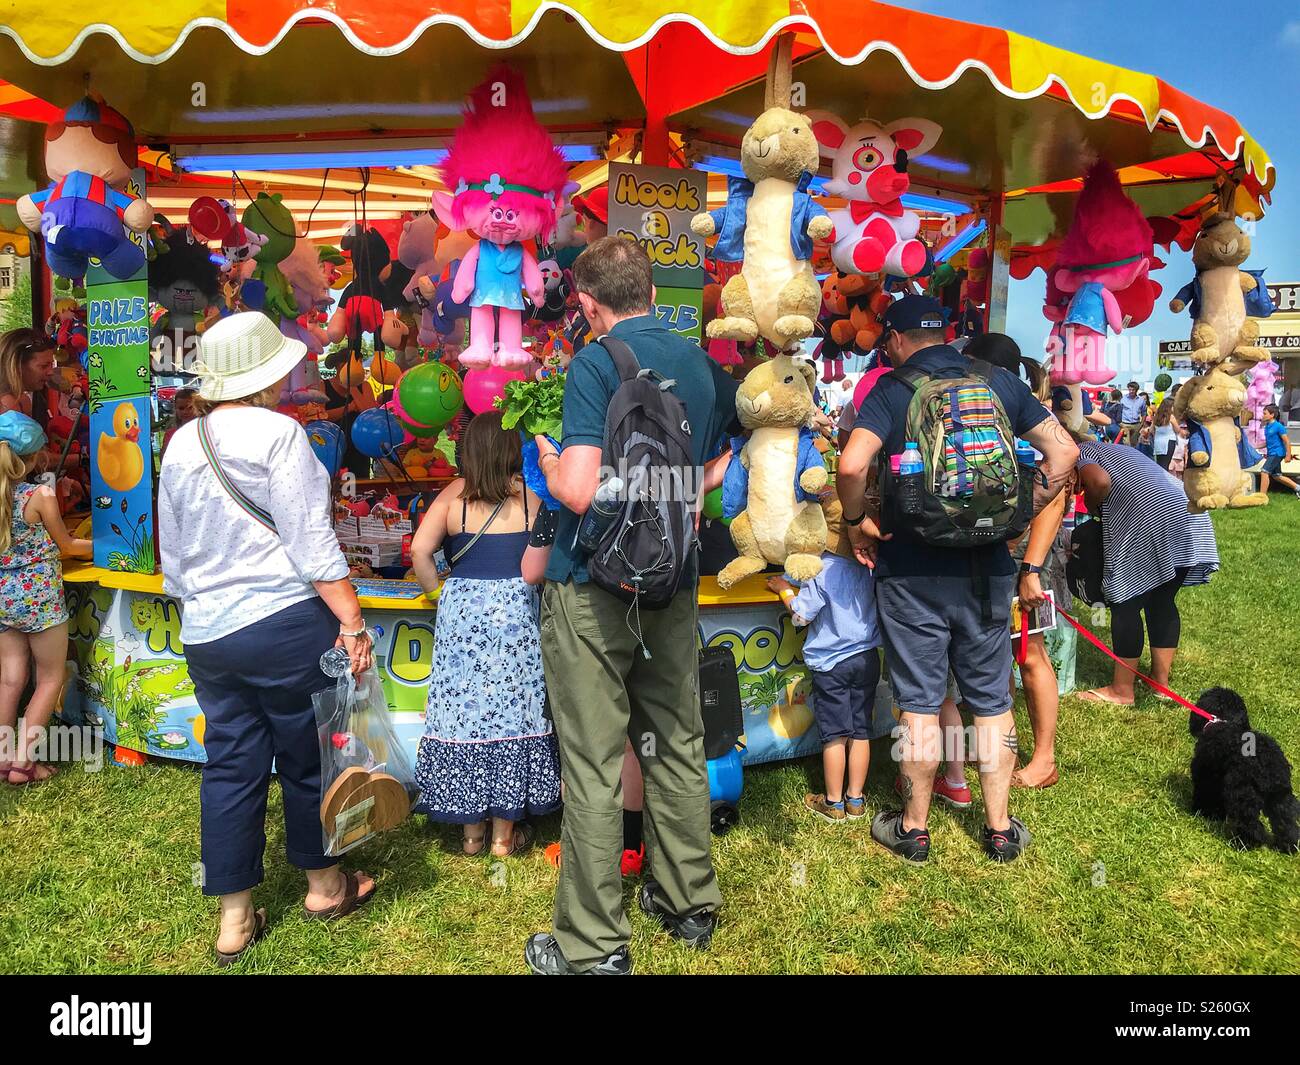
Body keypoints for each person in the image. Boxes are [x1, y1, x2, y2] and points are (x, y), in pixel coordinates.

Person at [527, 236, 738, 975]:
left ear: (588, 305)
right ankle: (688, 903)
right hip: (671, 580)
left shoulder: (594, 361)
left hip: (591, 585)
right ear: (651, 290)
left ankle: (591, 945)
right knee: (676, 742)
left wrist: (551, 461)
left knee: (593, 762)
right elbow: (716, 471)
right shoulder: (706, 370)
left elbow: (582, 491)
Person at [158, 312, 377, 966]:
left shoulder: (179, 443)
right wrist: (353, 619)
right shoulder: (281, 433)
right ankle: (323, 885)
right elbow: (312, 542)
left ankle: (232, 919)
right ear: (270, 374)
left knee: (230, 767)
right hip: (284, 624)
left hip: (208, 632)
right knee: (308, 758)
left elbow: (173, 559)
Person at [837, 298, 1078, 864]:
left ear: (894, 339)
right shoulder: (999, 383)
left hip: (911, 572)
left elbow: (850, 466)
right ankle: (998, 829)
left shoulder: (893, 389)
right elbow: (1064, 450)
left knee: (919, 704)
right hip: (989, 570)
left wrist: (855, 522)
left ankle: (914, 828)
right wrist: (1020, 511)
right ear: (944, 334)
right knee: (991, 701)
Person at [408, 412, 561, 856]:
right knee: (516, 712)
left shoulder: (454, 496)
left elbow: (420, 549)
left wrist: (438, 592)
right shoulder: (532, 499)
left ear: (468, 452)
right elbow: (543, 565)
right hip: (516, 612)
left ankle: (470, 836)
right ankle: (502, 837)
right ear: (514, 451)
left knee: (464, 717)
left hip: (461, 613)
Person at [967, 333, 1071, 790]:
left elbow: (1057, 496)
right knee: (994, 656)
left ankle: (1044, 758)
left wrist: (1031, 569)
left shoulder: (1032, 419)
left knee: (1029, 654)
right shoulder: (985, 413)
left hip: (1026, 564)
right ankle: (999, 747)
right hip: (994, 559)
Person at [1074, 440, 1218, 706]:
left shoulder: (1082, 450)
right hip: (1189, 512)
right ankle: (1160, 684)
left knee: (1125, 602)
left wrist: (1093, 507)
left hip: (1152, 518)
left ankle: (1121, 690)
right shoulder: (1115, 449)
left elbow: (1099, 482)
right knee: (1162, 600)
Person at [767, 514, 881, 823]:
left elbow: (801, 616)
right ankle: (855, 799)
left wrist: (784, 590)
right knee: (860, 730)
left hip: (831, 662)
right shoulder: (869, 564)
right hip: (867, 657)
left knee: (835, 735)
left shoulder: (821, 570)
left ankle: (833, 803)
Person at [0, 411, 92, 785]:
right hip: (39, 600)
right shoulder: (41, 494)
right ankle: (24, 764)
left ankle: (4, 757)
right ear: (38, 457)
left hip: (4, 598)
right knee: (50, 678)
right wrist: (106, 546)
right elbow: (67, 544)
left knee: (9, 680)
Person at [0, 328, 57, 417]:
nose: (51, 372)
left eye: (51, 365)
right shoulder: (8, 405)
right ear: (18, 366)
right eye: (44, 366)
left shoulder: (23, 400)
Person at [1258, 403, 1299, 497]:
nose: (1262, 415)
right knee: (1277, 476)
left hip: (1277, 453)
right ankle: (1298, 488)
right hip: (1271, 453)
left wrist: (1288, 455)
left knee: (1264, 472)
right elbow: (1268, 442)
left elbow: (1287, 441)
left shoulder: (1278, 426)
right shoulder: (1267, 427)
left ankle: (1261, 497)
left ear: (1272, 415)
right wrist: (1255, 446)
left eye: (1265, 413)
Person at [162, 386, 197, 454]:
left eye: (190, 407)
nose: (185, 412)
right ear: (175, 409)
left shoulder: (206, 431)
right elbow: (163, 458)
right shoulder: (171, 434)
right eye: (181, 408)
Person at [1152, 396, 1179, 470]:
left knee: (1159, 464)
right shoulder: (1171, 417)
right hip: (1169, 442)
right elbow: (1177, 430)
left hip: (1158, 442)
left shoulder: (1157, 417)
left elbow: (1152, 430)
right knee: (1165, 465)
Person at [1119, 381, 1147, 447]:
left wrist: (1141, 424)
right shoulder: (1123, 399)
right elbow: (1118, 410)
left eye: (1133, 390)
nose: (1131, 391)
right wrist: (1120, 423)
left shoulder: (1141, 400)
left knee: (1134, 445)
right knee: (1126, 444)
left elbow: (1144, 413)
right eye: (1130, 389)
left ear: (1136, 390)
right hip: (1125, 424)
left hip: (1136, 425)